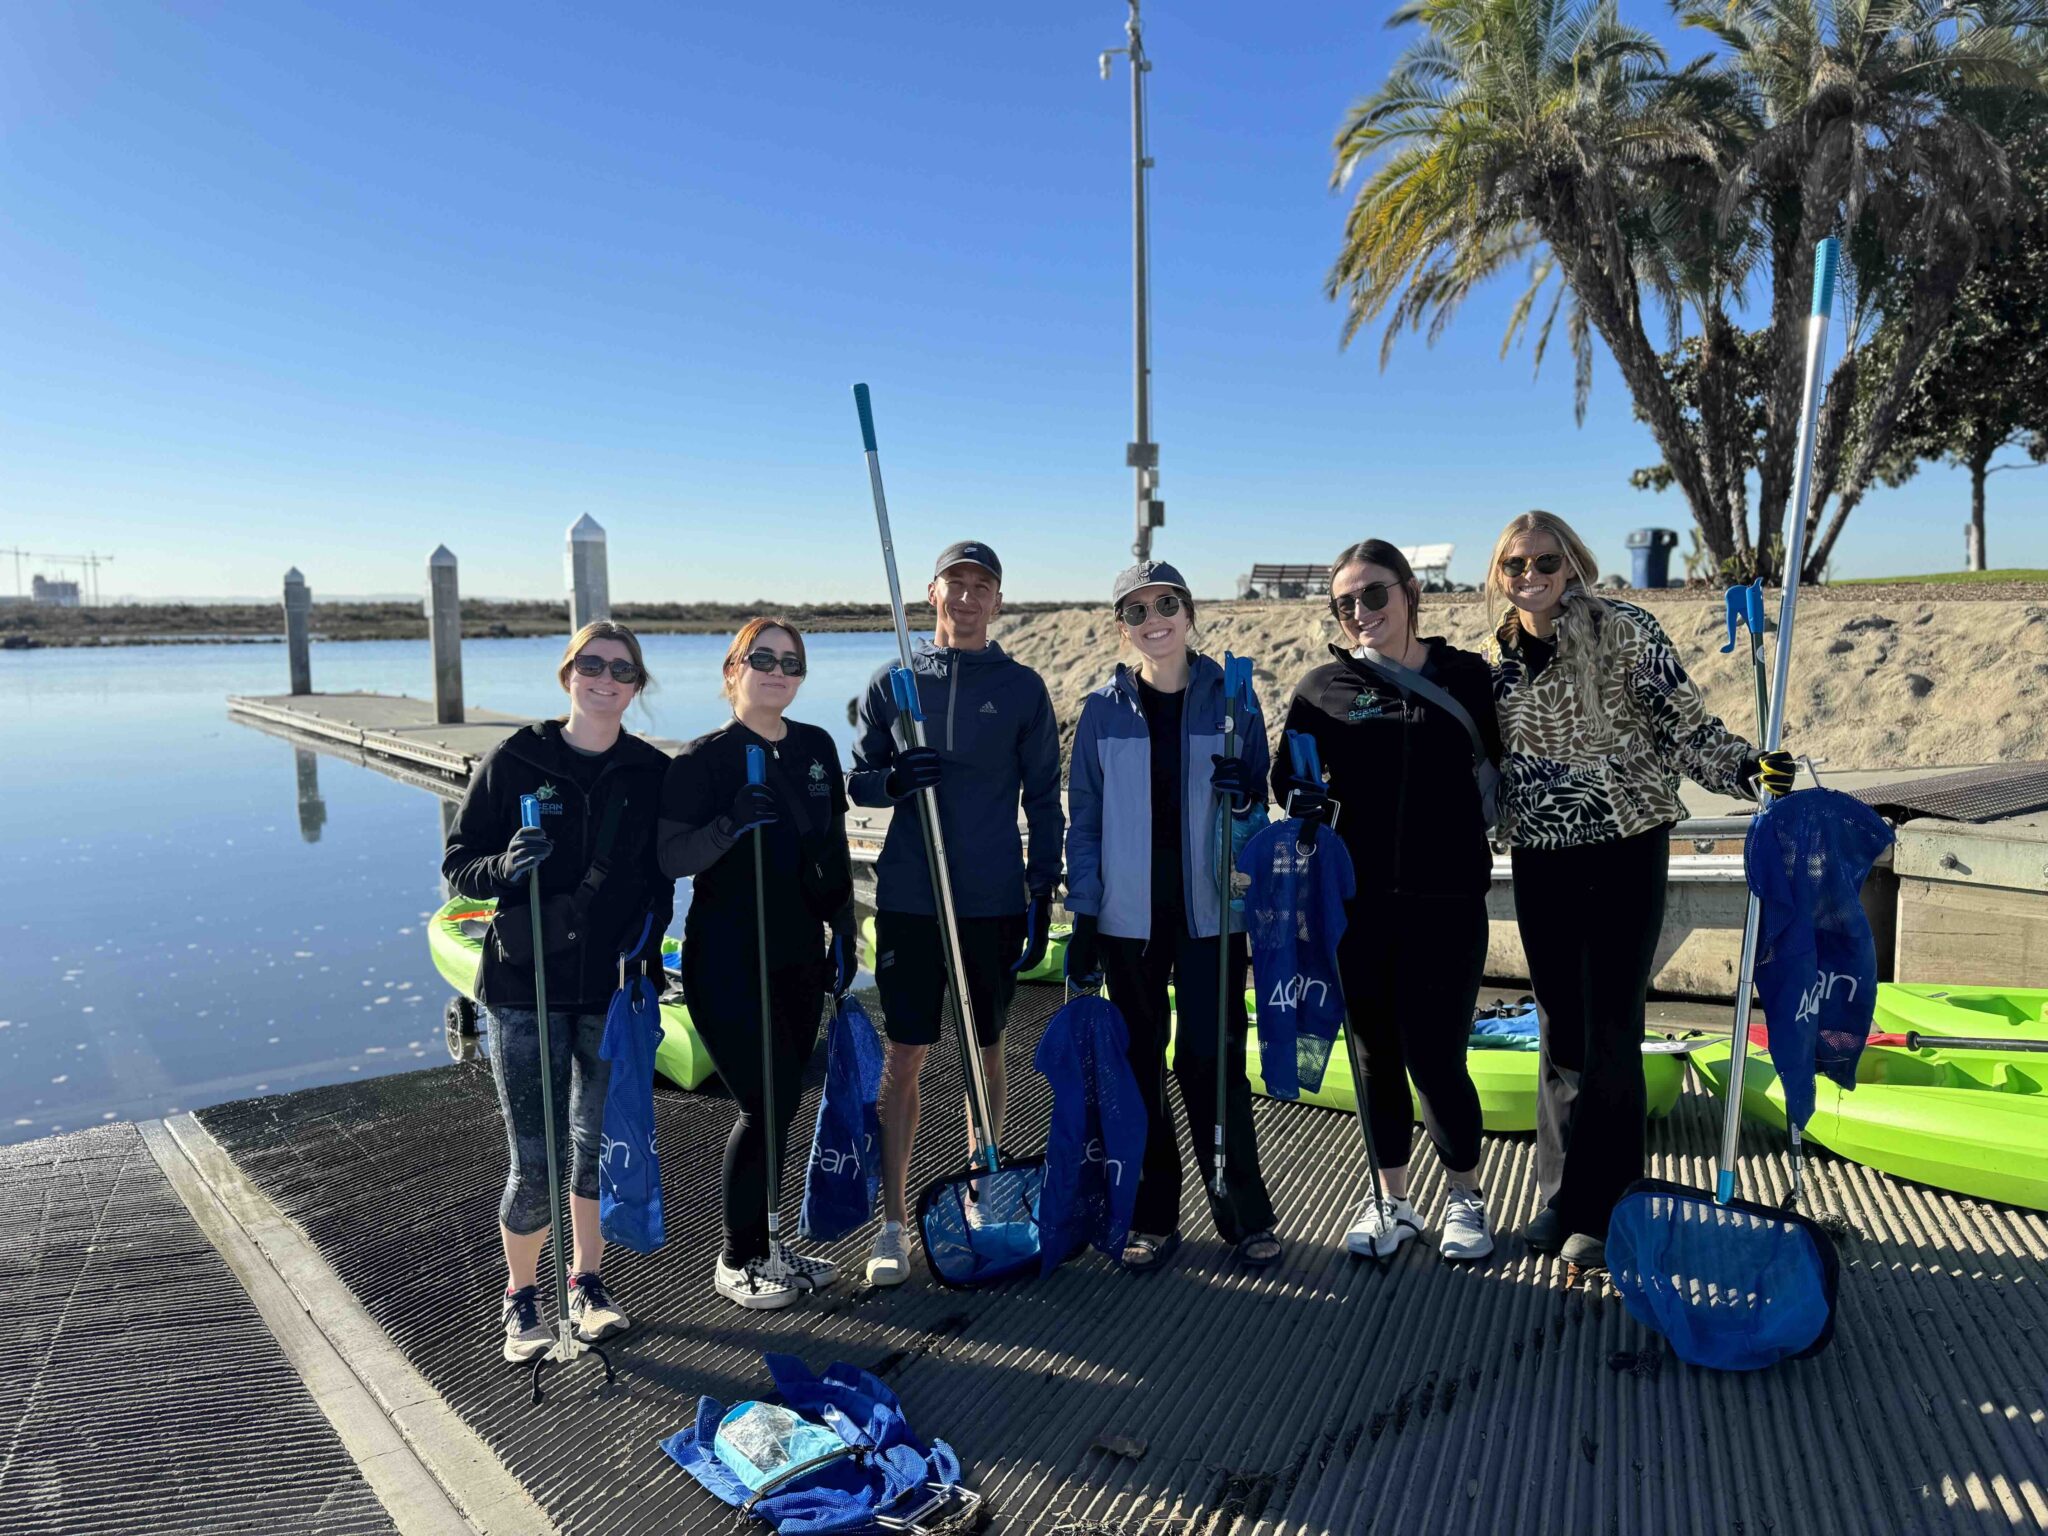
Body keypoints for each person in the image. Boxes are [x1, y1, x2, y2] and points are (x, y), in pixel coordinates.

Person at [1486, 511, 1796, 1268]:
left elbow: (1682, 726)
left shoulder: (1625, 630)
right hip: (1541, 853)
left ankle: (1612, 1203)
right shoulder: (1495, 661)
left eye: (1546, 561)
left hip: (1626, 842)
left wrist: (1745, 769)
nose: (1532, 577)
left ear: (1574, 562)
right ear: (1499, 574)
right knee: (1560, 1026)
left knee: (1612, 1025)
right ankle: (1561, 1194)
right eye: (1516, 565)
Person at [441, 620, 672, 1362]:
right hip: (523, 985)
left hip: (607, 988)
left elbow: (660, 882)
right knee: (533, 1158)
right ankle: (521, 1297)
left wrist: (647, 951)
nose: (606, 680)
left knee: (595, 1149)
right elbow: (459, 863)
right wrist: (506, 865)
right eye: (592, 665)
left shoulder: (647, 770)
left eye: (622, 670)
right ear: (568, 673)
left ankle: (588, 1282)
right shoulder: (517, 758)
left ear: (636, 687)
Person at [1276, 540, 1499, 1263]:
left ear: (1410, 594)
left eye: (1375, 595)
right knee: (1375, 1058)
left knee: (1438, 1056)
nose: (1361, 612)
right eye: (1345, 603)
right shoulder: (1320, 689)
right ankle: (1391, 1200)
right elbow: (1287, 782)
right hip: (1357, 905)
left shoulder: (1468, 678)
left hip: (1448, 899)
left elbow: (1517, 766)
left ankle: (1465, 1197)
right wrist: (1300, 797)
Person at [848, 541, 1063, 1286]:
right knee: (905, 1055)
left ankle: (986, 1190)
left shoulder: (1023, 687)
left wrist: (1042, 886)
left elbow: (1042, 793)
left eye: (983, 587)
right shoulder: (896, 680)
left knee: (986, 1047)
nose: (968, 598)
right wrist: (894, 778)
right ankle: (894, 1220)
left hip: (990, 896)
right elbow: (859, 785)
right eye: (956, 585)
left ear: (997, 602)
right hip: (910, 895)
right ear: (931, 595)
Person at [1065, 561, 1281, 1271]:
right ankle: (1154, 1215)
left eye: (1165, 604)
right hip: (1129, 922)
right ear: (1121, 625)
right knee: (1138, 1063)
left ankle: (1243, 1214)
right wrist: (1087, 916)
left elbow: (1257, 807)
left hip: (1213, 914)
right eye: (1136, 610)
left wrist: (1245, 794)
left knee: (1211, 1060)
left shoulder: (1233, 698)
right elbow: (1085, 823)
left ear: (1188, 612)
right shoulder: (1101, 710)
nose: (1153, 618)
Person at [658, 617, 857, 1310]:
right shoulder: (703, 759)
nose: (778, 670)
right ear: (733, 669)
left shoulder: (815, 746)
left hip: (800, 949)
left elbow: (830, 844)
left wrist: (845, 926)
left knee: (785, 1101)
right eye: (762, 658)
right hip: (727, 958)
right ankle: (736, 1255)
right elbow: (669, 857)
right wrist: (728, 824)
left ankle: (773, 1244)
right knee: (763, 1101)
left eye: (791, 662)